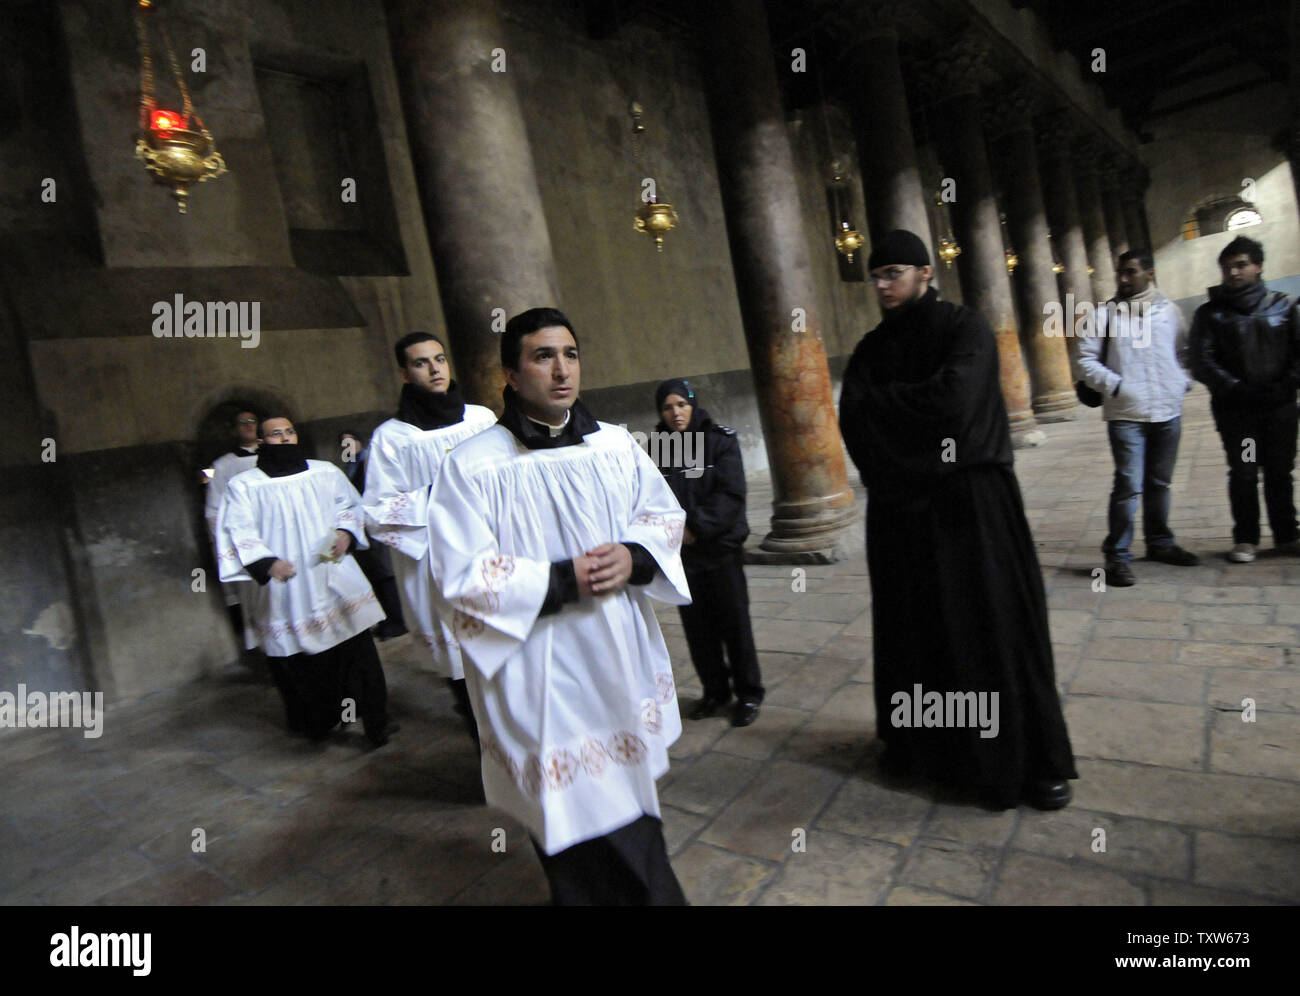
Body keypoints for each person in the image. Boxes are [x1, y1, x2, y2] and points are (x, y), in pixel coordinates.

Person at [427, 307, 690, 904]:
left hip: (616, 653)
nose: (561, 369)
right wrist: (558, 580)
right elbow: (458, 577)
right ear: (512, 376)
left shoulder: (615, 446)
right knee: (567, 810)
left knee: (627, 801)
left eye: (570, 354)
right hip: (537, 667)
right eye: (543, 356)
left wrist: (635, 556)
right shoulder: (472, 466)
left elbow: (662, 516)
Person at [838, 229, 1077, 810]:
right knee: (915, 629)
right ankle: (925, 747)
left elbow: (957, 404)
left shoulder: (964, 328)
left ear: (925, 274)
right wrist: (908, 421)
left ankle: (1024, 761)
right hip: (901, 512)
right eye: (876, 274)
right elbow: (854, 420)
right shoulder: (872, 348)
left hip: (972, 507)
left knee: (992, 626)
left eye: (894, 272)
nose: (883, 284)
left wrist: (891, 410)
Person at [216, 416, 396, 747]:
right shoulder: (245, 486)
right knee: (307, 662)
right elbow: (236, 529)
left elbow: (349, 505)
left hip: (332, 572)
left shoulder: (325, 472)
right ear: (262, 441)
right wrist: (267, 562)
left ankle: (377, 722)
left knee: (359, 651)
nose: (284, 438)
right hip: (289, 586)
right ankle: (321, 721)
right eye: (275, 434)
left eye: (289, 432)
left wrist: (345, 532)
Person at [361, 333, 495, 731]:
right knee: (463, 669)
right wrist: (439, 495)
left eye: (440, 358)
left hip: (494, 551)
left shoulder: (482, 419)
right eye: (421, 363)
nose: (435, 369)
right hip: (437, 563)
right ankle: (478, 734)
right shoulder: (391, 438)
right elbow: (377, 509)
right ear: (404, 373)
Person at [1074, 248, 1200, 586]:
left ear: (1150, 273)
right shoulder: (1105, 315)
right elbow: (1085, 361)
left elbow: (1183, 353)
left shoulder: (1170, 312)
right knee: (1128, 485)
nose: (1123, 279)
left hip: (1167, 411)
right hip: (1126, 414)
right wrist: (1117, 387)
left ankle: (1160, 543)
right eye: (1121, 273)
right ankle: (1116, 556)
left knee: (1160, 483)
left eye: (1130, 272)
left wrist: (1181, 382)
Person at [651, 378, 763, 726]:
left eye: (681, 405)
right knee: (698, 631)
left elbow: (731, 495)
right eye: (668, 407)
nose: (676, 413)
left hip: (720, 551)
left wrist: (694, 528)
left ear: (692, 405)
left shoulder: (719, 441)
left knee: (735, 626)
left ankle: (748, 694)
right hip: (684, 558)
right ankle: (715, 692)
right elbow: (652, 496)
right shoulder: (660, 447)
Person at [1189, 235, 1300, 563]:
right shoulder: (1211, 314)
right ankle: (1246, 538)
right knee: (1245, 470)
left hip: (1279, 409)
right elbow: (1201, 360)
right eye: (1227, 267)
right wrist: (1236, 388)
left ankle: (1286, 535)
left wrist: (1285, 386)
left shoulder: (1286, 305)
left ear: (1258, 266)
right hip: (1240, 414)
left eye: (1241, 265)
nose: (1233, 273)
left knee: (1280, 470)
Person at [338, 430, 407, 640]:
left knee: (385, 574)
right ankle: (388, 619)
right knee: (375, 575)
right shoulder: (350, 465)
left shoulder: (369, 461)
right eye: (343, 445)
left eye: (350, 442)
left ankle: (398, 621)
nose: (347, 447)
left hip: (376, 525)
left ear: (359, 442)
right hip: (362, 527)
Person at [204, 409, 261, 647]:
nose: (248, 426)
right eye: (242, 423)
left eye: (252, 421)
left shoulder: (273, 455)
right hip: (247, 544)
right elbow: (214, 509)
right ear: (234, 429)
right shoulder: (222, 465)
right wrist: (230, 544)